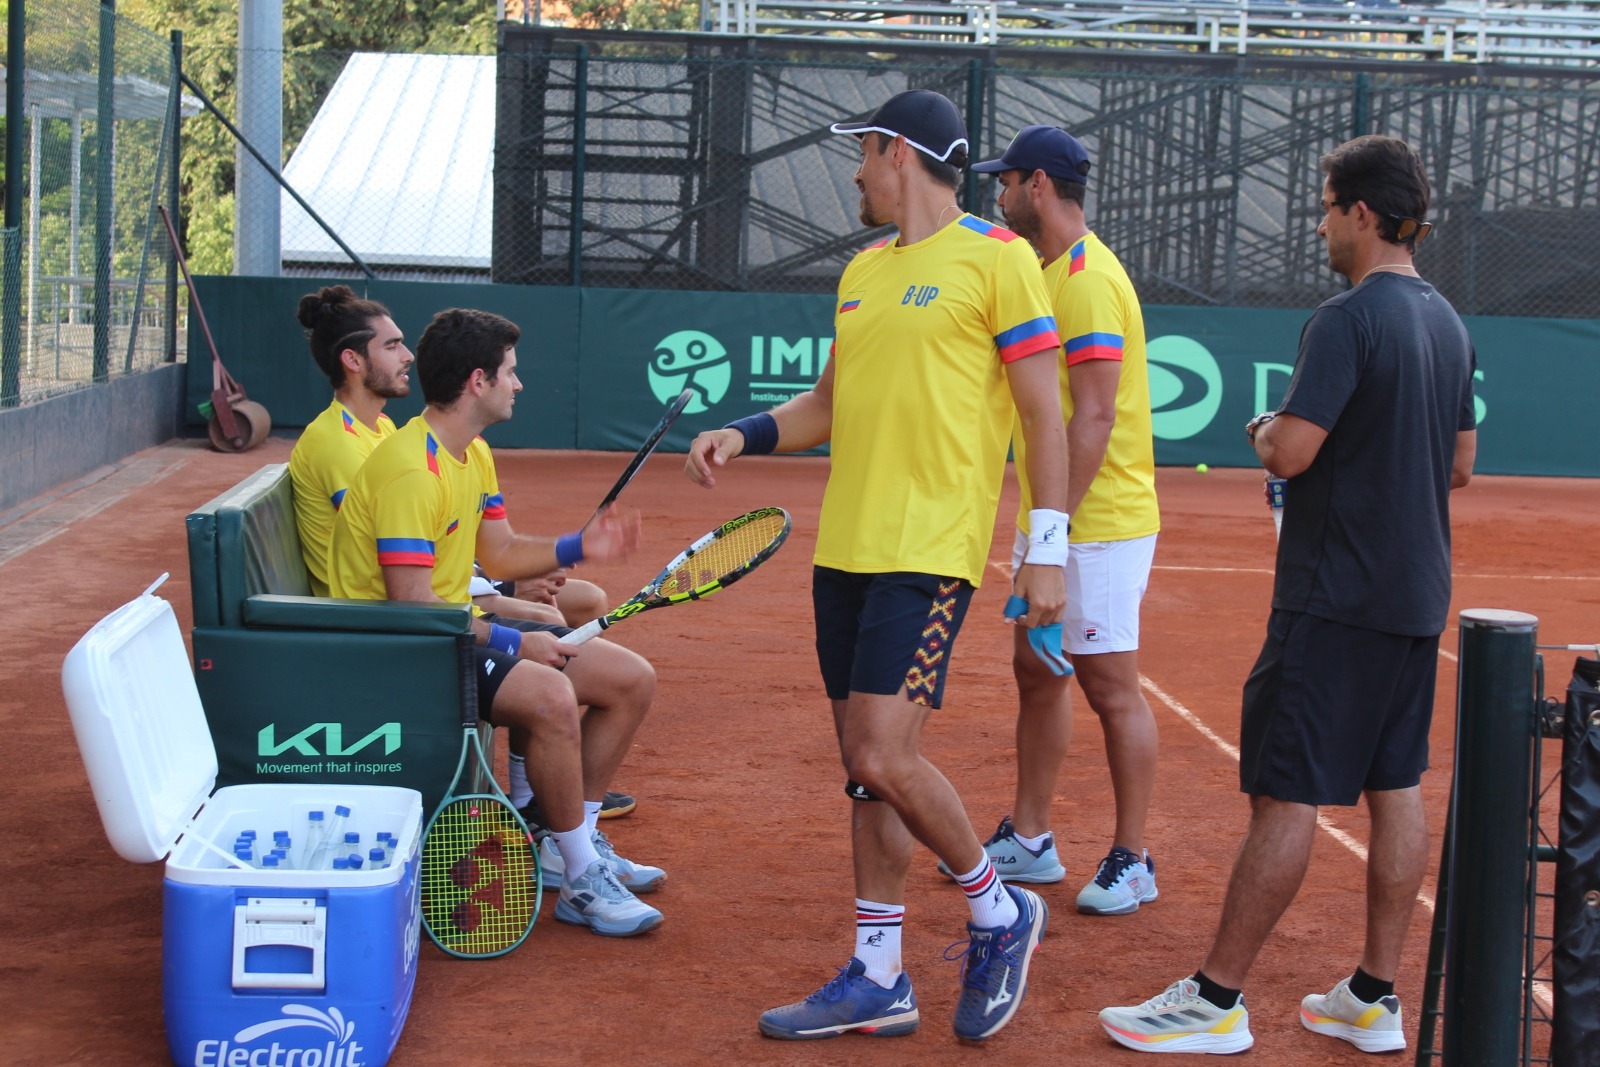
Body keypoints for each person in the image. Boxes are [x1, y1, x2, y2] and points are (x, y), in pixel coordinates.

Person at [685, 89, 1070, 1043]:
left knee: (881, 753)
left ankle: (997, 908)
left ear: (898, 151)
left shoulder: (999, 259)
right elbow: (828, 404)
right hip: (846, 553)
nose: (853, 172)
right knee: (867, 777)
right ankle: (880, 972)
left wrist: (1046, 549)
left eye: (862, 153)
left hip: (929, 554)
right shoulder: (861, 272)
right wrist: (746, 431)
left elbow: (1043, 414)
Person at [1099, 135, 1476, 1054]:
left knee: (1287, 797)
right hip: (1415, 594)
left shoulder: (1345, 319)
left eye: (1325, 204)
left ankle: (1217, 999)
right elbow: (1460, 465)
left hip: (1334, 598)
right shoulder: (1450, 323)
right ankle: (1373, 997)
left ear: (1361, 213)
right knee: (1396, 785)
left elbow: (1291, 450)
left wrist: (1265, 427)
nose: (1318, 222)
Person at [328, 306, 667, 936]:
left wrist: (579, 546)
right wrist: (516, 638)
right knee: (550, 695)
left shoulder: (473, 452)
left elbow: (501, 553)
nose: (520, 384)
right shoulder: (410, 470)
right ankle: (579, 880)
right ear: (477, 382)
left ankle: (574, 849)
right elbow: (411, 605)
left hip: (449, 629)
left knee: (630, 679)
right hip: (398, 649)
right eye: (510, 373)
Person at [942, 126, 1162, 916]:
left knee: (1111, 687)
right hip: (1057, 517)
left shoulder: (1089, 280)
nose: (996, 197)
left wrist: (1051, 532)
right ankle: (1031, 839)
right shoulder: (1042, 271)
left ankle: (1134, 857)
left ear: (1037, 187)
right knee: (1038, 671)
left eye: (1005, 184)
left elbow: (1095, 418)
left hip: (1097, 521)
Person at [287, 286, 413, 598]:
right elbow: (392, 537)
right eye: (392, 346)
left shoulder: (382, 426)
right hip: (371, 615)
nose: (408, 355)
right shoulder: (336, 442)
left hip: (398, 596)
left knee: (548, 597)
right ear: (353, 361)